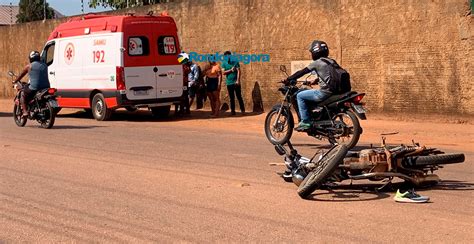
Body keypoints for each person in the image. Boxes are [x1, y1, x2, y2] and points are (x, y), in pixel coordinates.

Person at [283, 40, 335, 131]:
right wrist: (316, 80)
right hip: (335, 91)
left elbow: (302, 72)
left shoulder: (317, 63)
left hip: (325, 92)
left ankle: (305, 122)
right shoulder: (331, 61)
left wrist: (289, 79)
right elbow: (330, 76)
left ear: (315, 52)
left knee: (300, 96)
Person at [13, 51, 50, 117]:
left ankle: (25, 112)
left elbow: (21, 75)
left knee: (22, 93)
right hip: (46, 87)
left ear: (30, 58)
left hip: (35, 87)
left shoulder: (29, 66)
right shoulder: (45, 65)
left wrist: (15, 81)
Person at [221, 51, 245, 115]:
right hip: (229, 83)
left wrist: (238, 80)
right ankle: (233, 111)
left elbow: (239, 71)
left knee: (239, 97)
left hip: (236, 82)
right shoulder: (223, 63)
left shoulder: (235, 62)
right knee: (232, 98)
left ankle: (243, 111)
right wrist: (231, 70)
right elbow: (223, 72)